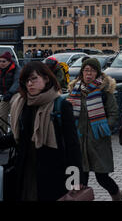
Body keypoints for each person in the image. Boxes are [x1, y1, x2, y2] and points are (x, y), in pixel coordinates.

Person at [0, 61, 82, 201]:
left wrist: (75, 181)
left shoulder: (61, 106)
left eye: (34, 79)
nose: (30, 84)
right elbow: (18, 136)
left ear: (46, 79)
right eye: (26, 80)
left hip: (54, 174)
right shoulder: (22, 104)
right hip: (26, 172)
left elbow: (72, 146)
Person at [67, 58, 122, 201]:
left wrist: (104, 127)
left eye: (92, 71)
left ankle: (117, 194)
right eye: (86, 70)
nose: (89, 74)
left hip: (98, 140)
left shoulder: (104, 91)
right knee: (81, 177)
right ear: (82, 72)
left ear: (98, 73)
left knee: (102, 177)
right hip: (79, 139)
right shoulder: (74, 90)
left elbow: (113, 113)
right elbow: (68, 114)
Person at [0, 52, 21, 134]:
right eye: (0, 61)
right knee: (2, 114)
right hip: (5, 94)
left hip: (16, 93)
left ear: (9, 61)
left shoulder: (16, 68)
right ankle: (3, 133)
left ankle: (15, 133)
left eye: (3, 61)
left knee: (14, 113)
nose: (1, 63)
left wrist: (10, 92)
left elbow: (17, 81)